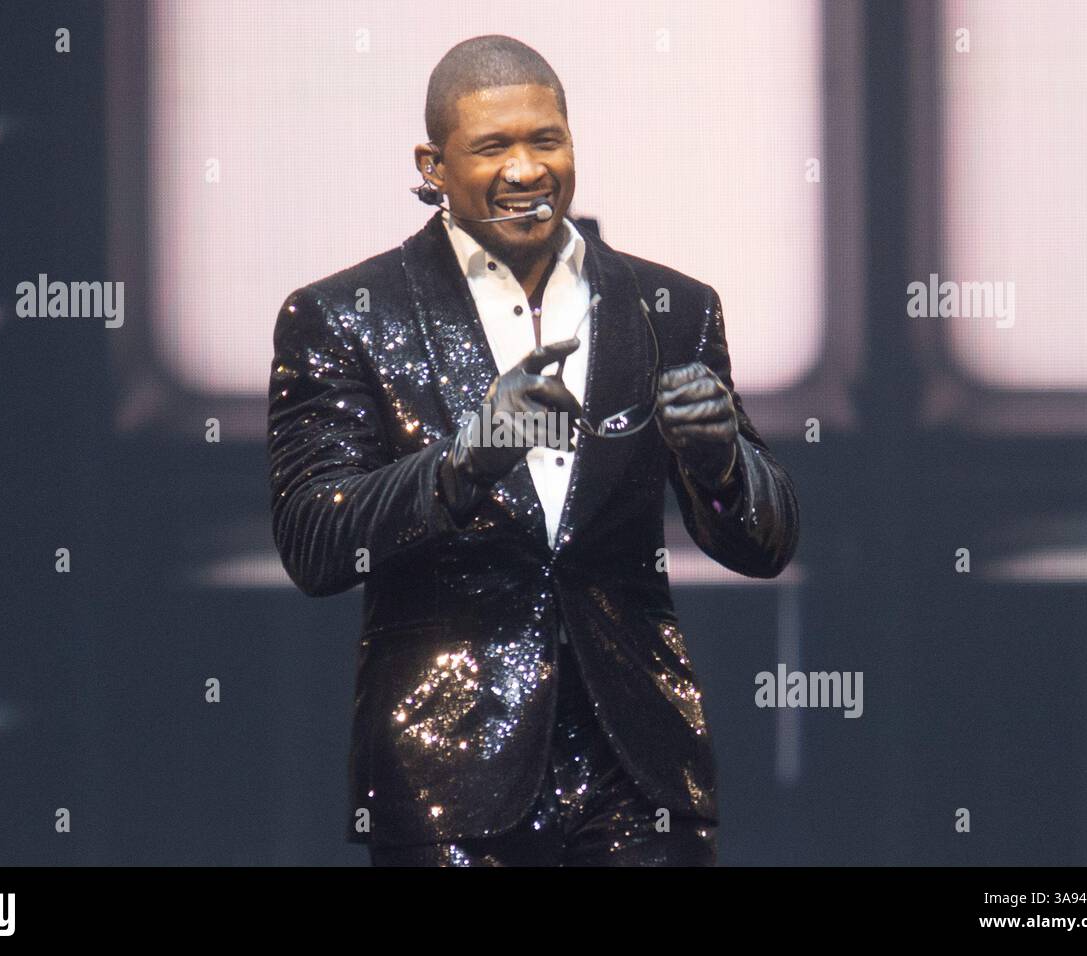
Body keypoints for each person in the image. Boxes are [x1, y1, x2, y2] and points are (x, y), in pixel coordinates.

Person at [267, 34, 800, 866]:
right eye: (493, 147)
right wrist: (469, 457)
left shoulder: (670, 307)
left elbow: (765, 544)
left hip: (642, 770)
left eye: (545, 140)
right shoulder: (345, 315)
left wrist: (720, 465)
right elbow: (314, 542)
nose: (526, 170)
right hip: (447, 778)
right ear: (432, 164)